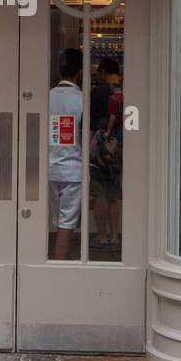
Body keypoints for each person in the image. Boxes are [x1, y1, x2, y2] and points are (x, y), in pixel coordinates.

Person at [48, 47, 84, 261]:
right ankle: (59, 266)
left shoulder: (47, 97)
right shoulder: (81, 99)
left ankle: (54, 263)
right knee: (67, 222)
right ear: (79, 72)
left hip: (49, 168)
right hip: (73, 169)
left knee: (58, 220)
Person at [89, 58, 124, 251]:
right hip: (118, 149)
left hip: (99, 149)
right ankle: (115, 237)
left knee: (98, 194)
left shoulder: (99, 93)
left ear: (103, 72)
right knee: (113, 195)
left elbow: (91, 125)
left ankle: (102, 238)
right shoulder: (126, 92)